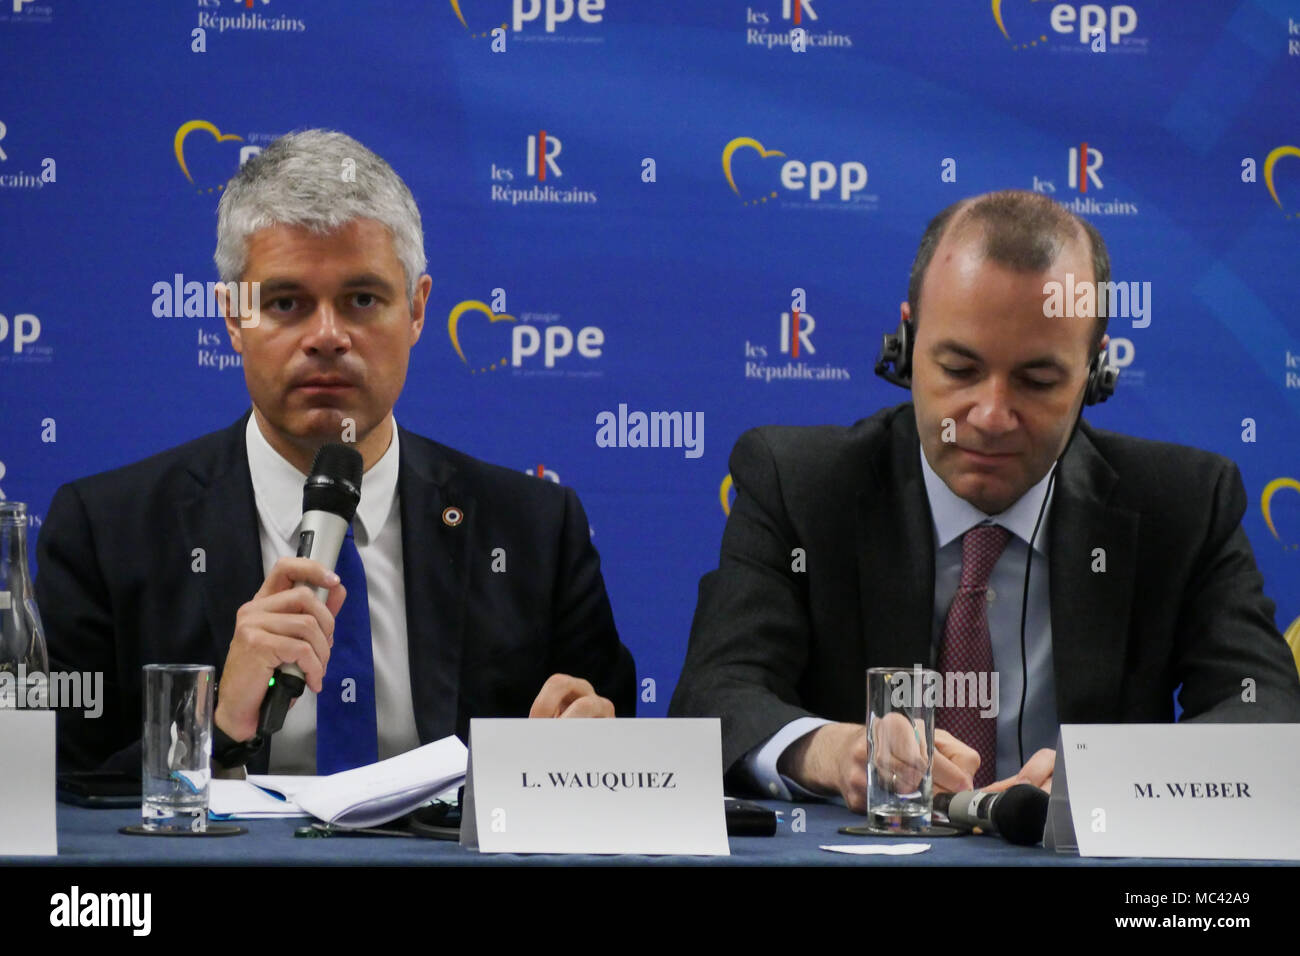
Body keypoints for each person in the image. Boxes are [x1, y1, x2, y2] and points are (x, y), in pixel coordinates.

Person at [669, 189, 1300, 811]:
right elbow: (716, 693)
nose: (992, 416)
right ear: (905, 347)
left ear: (1096, 375)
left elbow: (1264, 707)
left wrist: (1117, 778)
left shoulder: (1185, 506)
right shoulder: (799, 485)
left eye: (1038, 380)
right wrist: (834, 754)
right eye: (960, 369)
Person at [38, 129, 635, 776]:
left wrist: (585, 756)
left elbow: (616, 773)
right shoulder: (105, 533)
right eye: (287, 302)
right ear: (233, 319)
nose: (327, 337)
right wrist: (213, 726)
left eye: (361, 300)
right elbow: (57, 797)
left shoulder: (537, 533)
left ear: (417, 310)